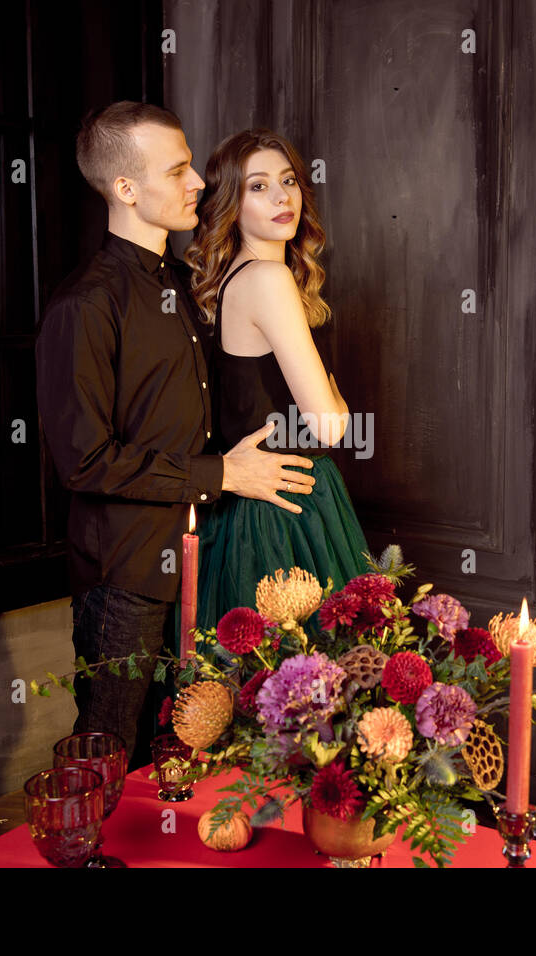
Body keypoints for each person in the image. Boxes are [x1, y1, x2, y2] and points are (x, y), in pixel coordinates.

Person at [34, 104, 318, 763]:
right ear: (125, 188)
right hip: (126, 573)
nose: (198, 181)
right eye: (179, 169)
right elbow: (86, 462)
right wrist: (223, 473)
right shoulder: (85, 305)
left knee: (187, 748)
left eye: (192, 164)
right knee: (112, 749)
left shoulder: (181, 286)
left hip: (202, 557)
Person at [185, 128, 371, 635]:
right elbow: (332, 428)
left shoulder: (234, 278)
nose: (282, 197)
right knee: (306, 687)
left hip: (248, 509)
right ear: (230, 203)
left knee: (272, 685)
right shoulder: (268, 280)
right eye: (258, 186)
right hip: (288, 506)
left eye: (287, 181)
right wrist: (332, 390)